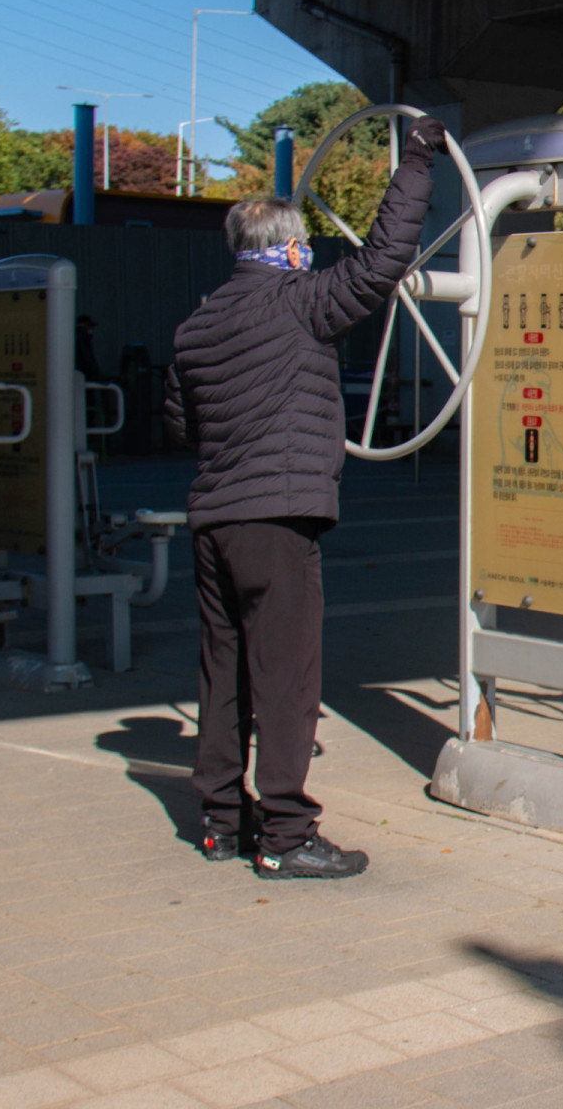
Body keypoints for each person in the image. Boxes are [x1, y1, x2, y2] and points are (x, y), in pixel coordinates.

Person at [163, 117, 446, 878]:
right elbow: (384, 257)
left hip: (214, 521)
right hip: (278, 520)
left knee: (223, 673)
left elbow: (180, 423)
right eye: (304, 248)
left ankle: (222, 823)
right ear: (290, 249)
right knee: (286, 679)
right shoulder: (302, 301)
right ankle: (286, 837)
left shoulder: (196, 326)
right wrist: (417, 158)